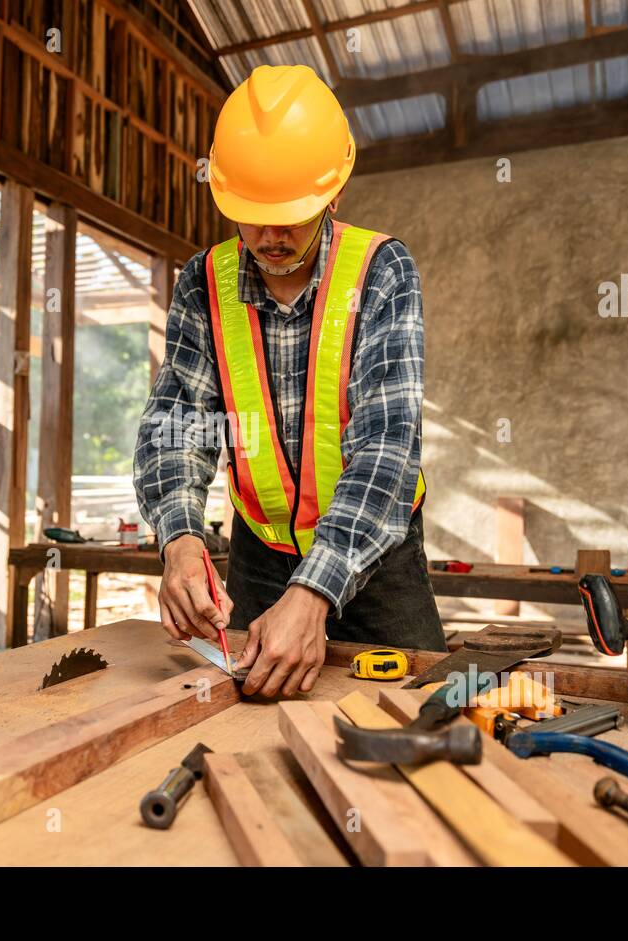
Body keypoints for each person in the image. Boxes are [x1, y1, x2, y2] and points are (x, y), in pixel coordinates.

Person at [133, 64, 445, 700]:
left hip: (374, 554)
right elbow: (177, 423)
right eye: (252, 216)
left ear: (333, 196)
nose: (270, 237)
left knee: (420, 717)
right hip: (260, 553)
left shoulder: (382, 271)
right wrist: (181, 540)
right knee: (249, 715)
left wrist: (315, 591)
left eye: (291, 217)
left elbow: (386, 449)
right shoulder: (203, 282)